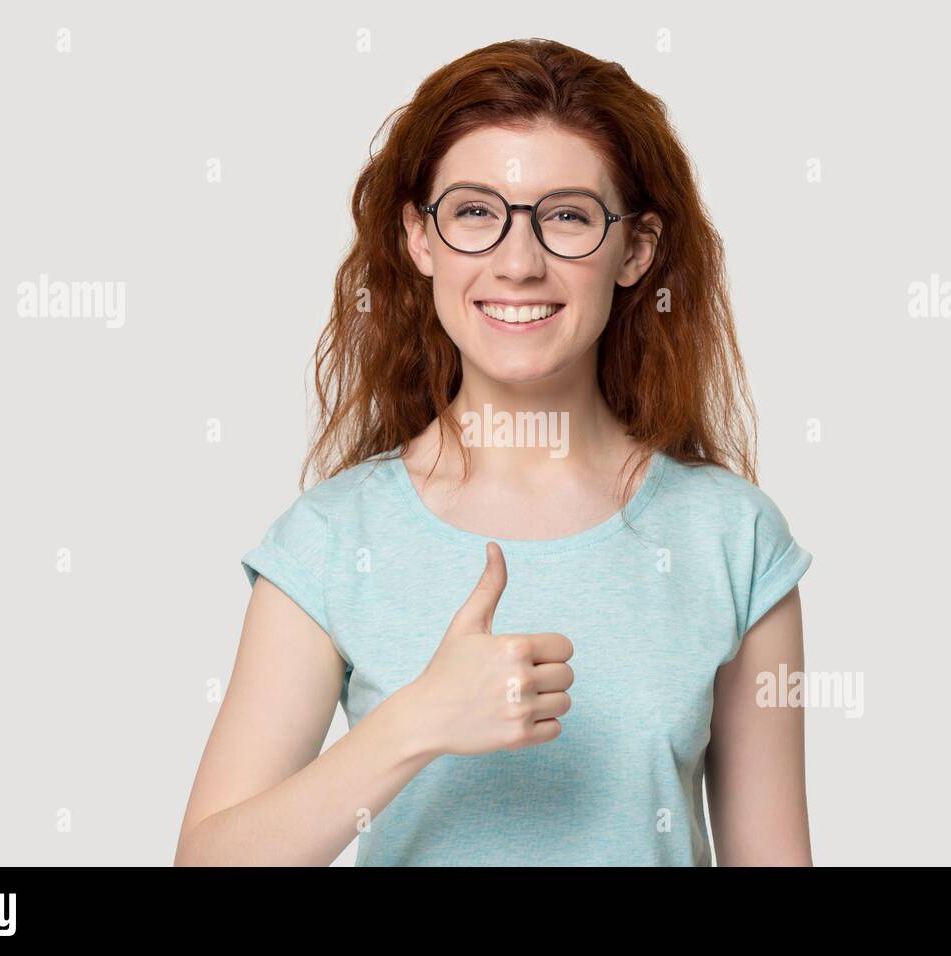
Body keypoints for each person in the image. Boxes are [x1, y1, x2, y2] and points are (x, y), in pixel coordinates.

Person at [174, 37, 814, 867]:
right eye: (475, 212)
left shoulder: (732, 539)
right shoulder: (331, 540)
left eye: (568, 216)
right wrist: (417, 723)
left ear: (636, 251)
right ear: (420, 239)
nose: (520, 262)